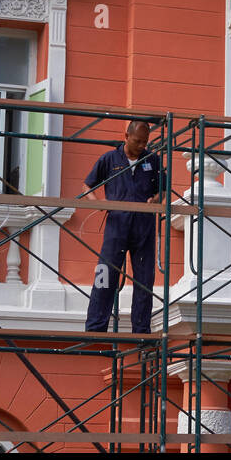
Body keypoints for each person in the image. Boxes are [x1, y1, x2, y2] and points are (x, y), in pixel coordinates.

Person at [82, 120, 162, 334]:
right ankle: (95, 328)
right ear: (126, 137)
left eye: (145, 142)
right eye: (137, 141)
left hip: (143, 225)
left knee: (144, 279)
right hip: (116, 225)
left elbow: (161, 190)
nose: (141, 146)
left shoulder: (152, 160)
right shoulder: (109, 159)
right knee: (105, 275)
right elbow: (87, 185)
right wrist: (97, 203)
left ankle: (141, 331)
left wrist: (155, 199)